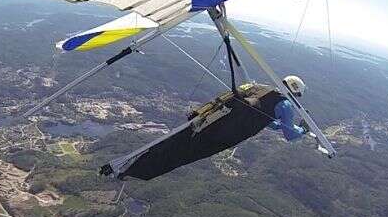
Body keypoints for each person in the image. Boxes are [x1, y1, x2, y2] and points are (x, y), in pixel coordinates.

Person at [101, 75, 309, 180]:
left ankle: (128, 167)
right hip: (221, 136)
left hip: (208, 120)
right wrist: (303, 130)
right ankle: (130, 172)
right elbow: (290, 135)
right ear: (294, 93)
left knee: (173, 143)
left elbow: (264, 119)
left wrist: (273, 124)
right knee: (181, 155)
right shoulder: (284, 104)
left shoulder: (260, 88)